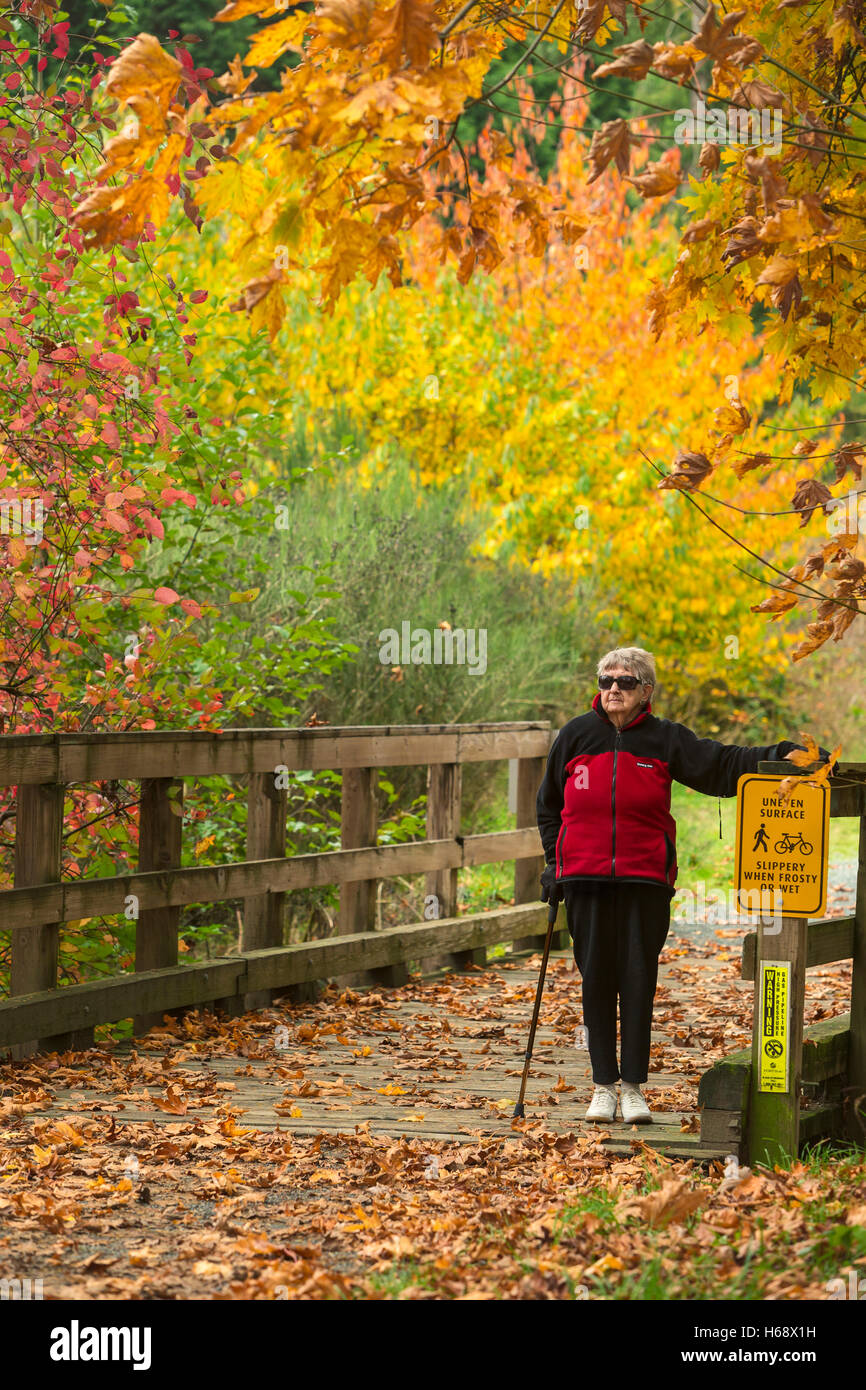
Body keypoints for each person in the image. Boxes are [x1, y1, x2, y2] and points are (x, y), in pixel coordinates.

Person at [536, 646, 830, 1125]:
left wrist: (780, 756)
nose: (613, 689)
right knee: (596, 980)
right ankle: (602, 1087)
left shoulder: (665, 739)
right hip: (585, 880)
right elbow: (548, 806)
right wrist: (555, 862)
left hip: (645, 879)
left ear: (645, 690)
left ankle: (632, 1088)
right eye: (605, 680)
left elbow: (722, 766)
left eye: (625, 682)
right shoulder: (574, 736)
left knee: (637, 979)